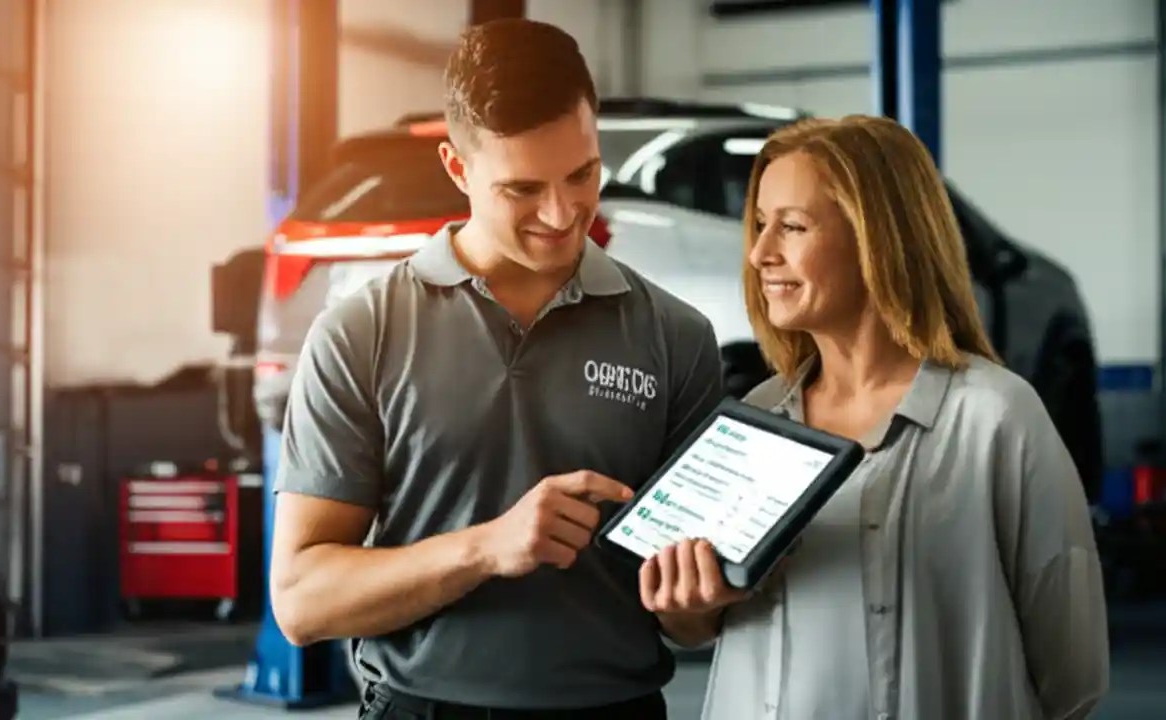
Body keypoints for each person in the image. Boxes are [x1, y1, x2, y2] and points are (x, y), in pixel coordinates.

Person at [268, 18, 724, 720]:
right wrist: (487, 547)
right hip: (420, 709)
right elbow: (301, 601)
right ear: (458, 168)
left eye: (583, 174)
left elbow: (688, 623)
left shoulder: (676, 338)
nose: (562, 211)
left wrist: (703, 601)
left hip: (618, 709)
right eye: (522, 189)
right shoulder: (363, 334)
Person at [641, 115, 1110, 719]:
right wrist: (687, 605)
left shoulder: (996, 418)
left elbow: (1072, 674)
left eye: (792, 226)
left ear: (879, 239)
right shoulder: (752, 420)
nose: (760, 253)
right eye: (759, 225)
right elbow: (698, 627)